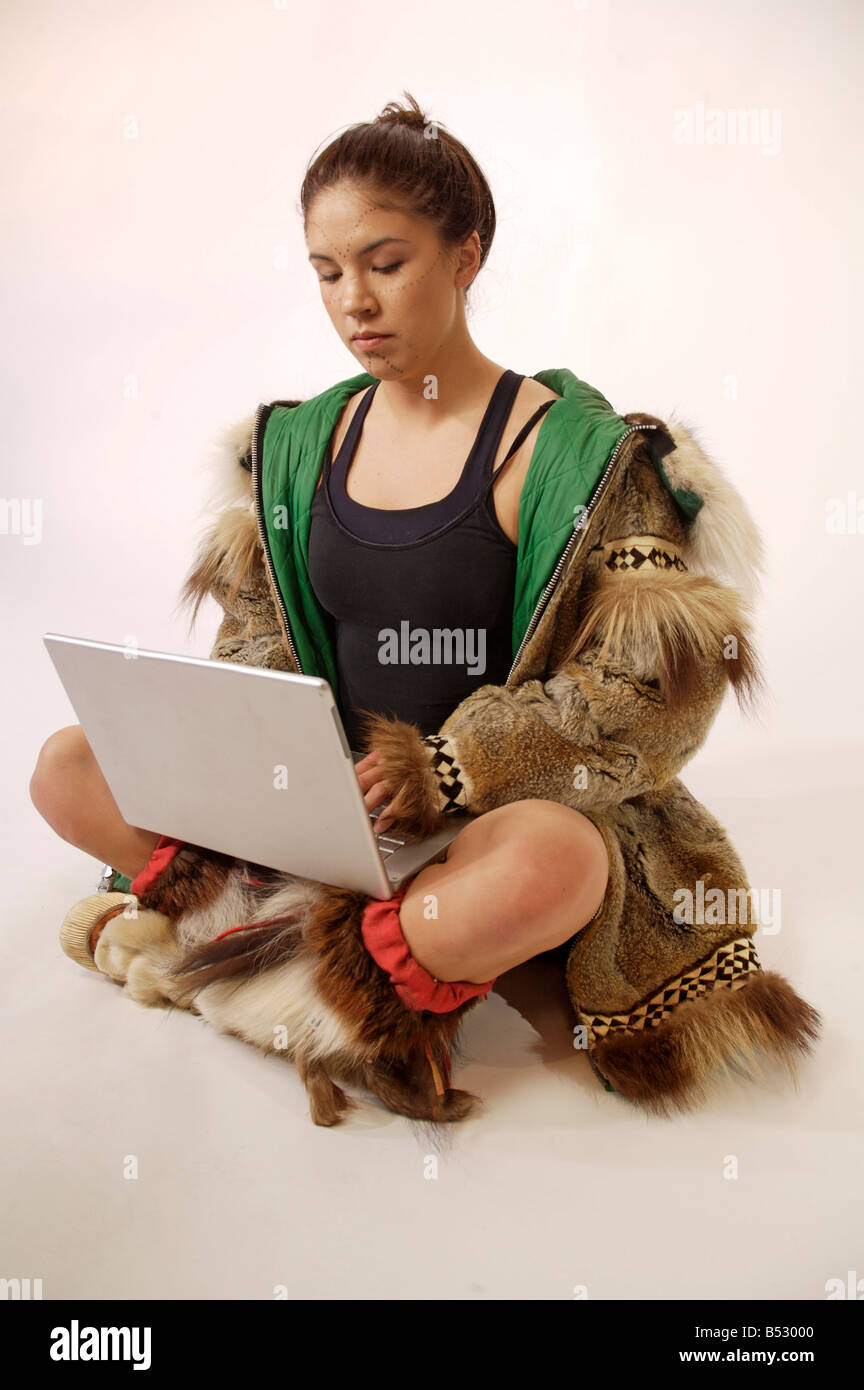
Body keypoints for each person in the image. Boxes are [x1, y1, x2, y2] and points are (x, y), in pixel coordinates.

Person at [30, 93, 820, 1112]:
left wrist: (451, 770)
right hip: (320, 815)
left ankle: (271, 957)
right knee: (66, 767)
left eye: (385, 262)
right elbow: (261, 637)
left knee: (562, 861)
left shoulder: (579, 454)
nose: (354, 299)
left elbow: (650, 698)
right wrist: (257, 762)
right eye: (327, 272)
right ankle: (352, 957)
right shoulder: (297, 445)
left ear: (466, 254)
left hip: (483, 823)